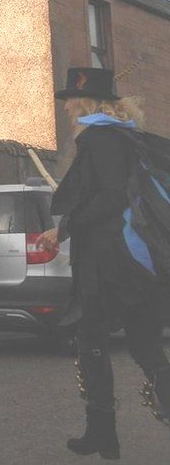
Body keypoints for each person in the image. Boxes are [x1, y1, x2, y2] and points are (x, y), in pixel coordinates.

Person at [37, 68, 170, 460]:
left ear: (83, 103)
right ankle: (101, 433)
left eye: (69, 103)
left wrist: (64, 229)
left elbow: (111, 196)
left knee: (92, 340)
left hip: (110, 263)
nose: (66, 110)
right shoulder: (125, 136)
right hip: (134, 263)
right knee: (144, 344)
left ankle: (103, 434)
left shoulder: (99, 138)